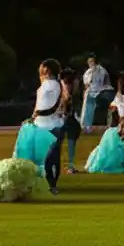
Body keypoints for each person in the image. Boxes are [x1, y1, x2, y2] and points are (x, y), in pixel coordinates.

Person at [32, 59, 66, 195]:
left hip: (51, 124)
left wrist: (37, 113)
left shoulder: (53, 85)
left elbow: (48, 106)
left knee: (51, 157)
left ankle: (52, 184)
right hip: (43, 124)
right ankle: (50, 184)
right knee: (49, 157)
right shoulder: (46, 85)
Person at [81, 54, 113, 134]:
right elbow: (86, 84)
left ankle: (110, 125)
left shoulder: (102, 71)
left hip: (101, 92)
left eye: (92, 61)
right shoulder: (87, 73)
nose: (90, 63)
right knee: (88, 108)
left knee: (109, 105)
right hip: (91, 92)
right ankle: (87, 126)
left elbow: (107, 82)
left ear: (95, 62)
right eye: (89, 62)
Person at [60, 68, 83, 174]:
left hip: (69, 116)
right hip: (65, 116)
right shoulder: (67, 85)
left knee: (70, 140)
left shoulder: (72, 85)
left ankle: (70, 165)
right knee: (70, 141)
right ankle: (70, 165)